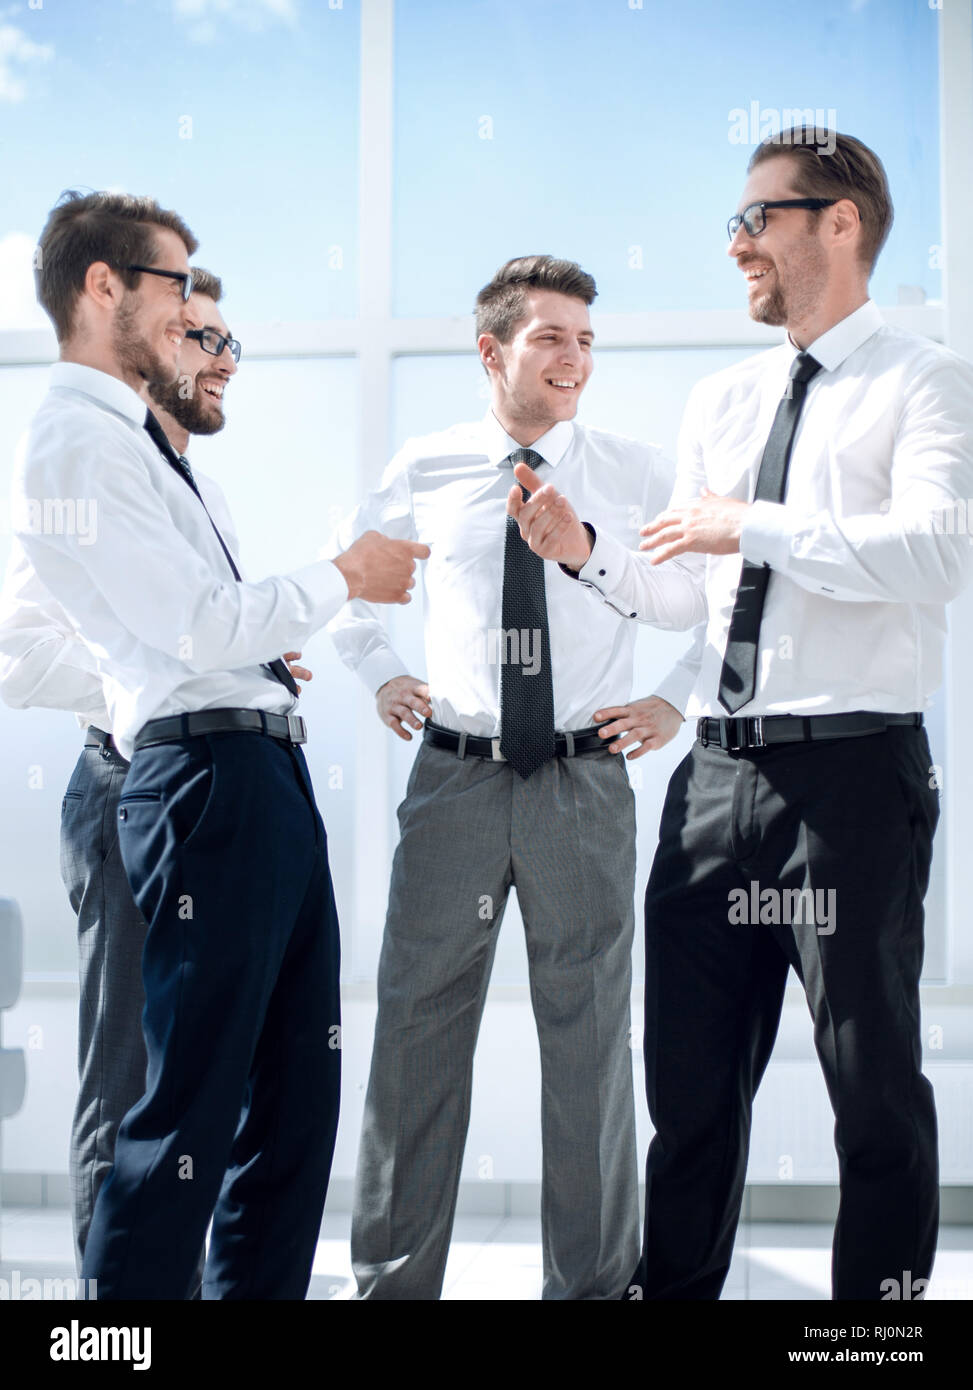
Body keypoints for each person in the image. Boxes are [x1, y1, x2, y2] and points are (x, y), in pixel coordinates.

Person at [508, 129, 973, 1301]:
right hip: (715, 785)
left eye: (757, 218)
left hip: (854, 780)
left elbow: (936, 552)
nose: (735, 245)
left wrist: (750, 526)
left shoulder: (924, 382)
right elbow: (688, 593)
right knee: (691, 1095)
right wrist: (587, 554)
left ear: (841, 223)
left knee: (871, 1090)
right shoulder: (724, 398)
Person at [7, 190, 426, 1299]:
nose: (201, 321)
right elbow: (181, 630)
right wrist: (342, 580)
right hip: (190, 779)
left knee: (293, 1097)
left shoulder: (158, 455)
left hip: (256, 768)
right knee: (173, 1099)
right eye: (180, 292)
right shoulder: (77, 445)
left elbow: (200, 625)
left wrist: (240, 658)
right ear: (107, 289)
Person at [328, 254, 697, 1300]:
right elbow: (350, 586)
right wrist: (382, 670)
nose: (574, 357)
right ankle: (391, 1286)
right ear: (490, 352)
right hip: (454, 781)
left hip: (583, 782)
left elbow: (703, 600)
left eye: (585, 338)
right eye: (550, 337)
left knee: (590, 1046)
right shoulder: (428, 466)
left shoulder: (631, 469)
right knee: (414, 1035)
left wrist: (676, 695)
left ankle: (590, 1290)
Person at [0, 268, 311, 1300]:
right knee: (134, 1081)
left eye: (232, 344)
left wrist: (242, 660)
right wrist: (154, 669)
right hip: (131, 782)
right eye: (201, 339)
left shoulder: (193, 489)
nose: (225, 361)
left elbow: (199, 625)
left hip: (223, 785)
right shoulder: (81, 473)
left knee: (225, 1076)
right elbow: (12, 654)